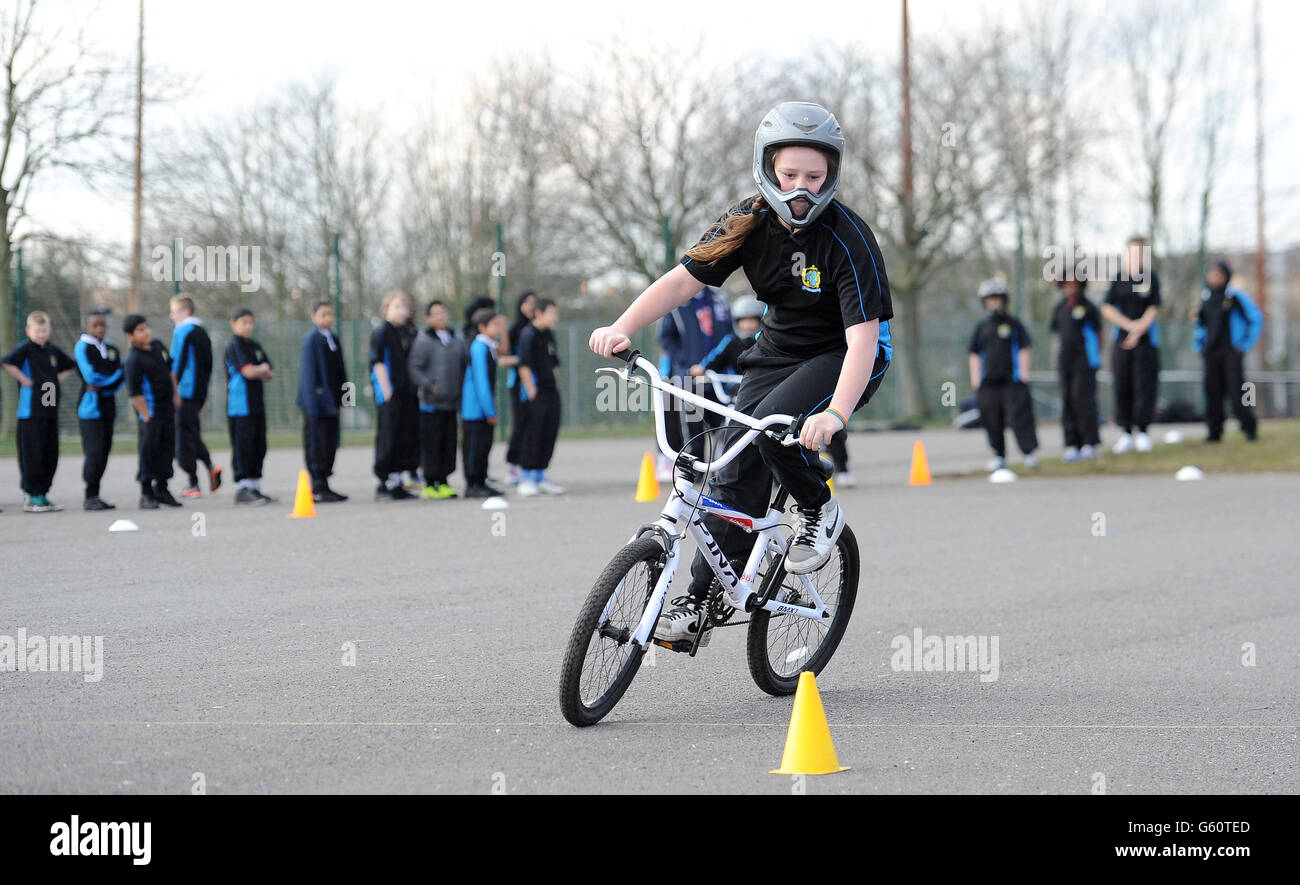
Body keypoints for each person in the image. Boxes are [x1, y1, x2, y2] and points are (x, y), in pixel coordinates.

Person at [589, 101, 893, 643]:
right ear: (767, 167)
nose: (801, 187)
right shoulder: (746, 222)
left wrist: (837, 415)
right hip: (777, 350)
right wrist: (622, 326)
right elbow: (682, 282)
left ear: (832, 176)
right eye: (790, 174)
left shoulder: (850, 238)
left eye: (814, 176)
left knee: (778, 430)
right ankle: (701, 603)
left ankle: (818, 509)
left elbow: (862, 340)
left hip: (844, 357)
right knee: (730, 465)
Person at [2, 311, 77, 512]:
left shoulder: (52, 351)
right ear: (29, 330)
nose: (42, 334)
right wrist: (23, 379)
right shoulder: (26, 349)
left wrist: (56, 379)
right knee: (32, 454)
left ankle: (43, 493)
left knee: (49, 453)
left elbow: (70, 365)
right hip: (31, 412)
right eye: (38, 331)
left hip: (49, 409)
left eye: (44, 330)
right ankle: (31, 494)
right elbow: (7, 362)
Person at [658, 285, 732, 469]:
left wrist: (716, 363)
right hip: (689, 380)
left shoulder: (719, 299)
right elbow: (666, 338)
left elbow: (730, 335)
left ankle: (723, 471)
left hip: (717, 378)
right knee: (693, 430)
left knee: (724, 427)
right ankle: (694, 472)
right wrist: (687, 363)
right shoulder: (676, 304)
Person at [969, 280, 1038, 471]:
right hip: (988, 383)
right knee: (992, 419)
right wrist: (975, 379)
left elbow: (1024, 347)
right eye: (990, 300)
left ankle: (1029, 454)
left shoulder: (1014, 324)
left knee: (1020, 418)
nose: (994, 303)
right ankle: (999, 455)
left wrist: (1024, 373)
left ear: (1004, 301)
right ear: (985, 302)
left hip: (1013, 382)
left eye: (997, 299)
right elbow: (974, 353)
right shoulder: (981, 327)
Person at [1101, 235, 1161, 453]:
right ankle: (1126, 432)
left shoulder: (1150, 278)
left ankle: (1142, 432)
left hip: (1146, 342)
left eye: (1138, 252)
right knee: (1122, 386)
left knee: (1144, 387)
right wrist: (1127, 325)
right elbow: (1107, 307)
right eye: (1131, 252)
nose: (1134, 256)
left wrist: (1139, 329)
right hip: (1122, 342)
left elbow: (1153, 308)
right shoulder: (1119, 278)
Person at [1193, 260, 1262, 442]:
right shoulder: (1206, 297)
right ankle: (1214, 432)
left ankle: (1249, 429)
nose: (1215, 278)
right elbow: (1200, 323)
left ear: (1226, 277)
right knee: (1212, 393)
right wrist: (1199, 345)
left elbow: (1255, 319)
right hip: (1211, 353)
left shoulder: (1235, 296)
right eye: (1212, 274)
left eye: (1219, 275)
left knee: (1238, 391)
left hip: (1232, 352)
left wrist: (1244, 344)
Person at [409, 300, 468, 499]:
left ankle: (444, 481)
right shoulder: (423, 340)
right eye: (436, 313)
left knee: (448, 443)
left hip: (451, 402)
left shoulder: (456, 340)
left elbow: (463, 366)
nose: (441, 316)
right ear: (428, 318)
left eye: (444, 312)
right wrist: (430, 387)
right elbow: (414, 368)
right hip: (431, 404)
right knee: (431, 443)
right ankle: (429, 482)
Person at [122, 314, 181, 509]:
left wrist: (175, 394)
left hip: (167, 409)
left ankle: (162, 489)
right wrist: (146, 416)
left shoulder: (157, 347)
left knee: (167, 449)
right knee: (149, 451)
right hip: (151, 413)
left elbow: (170, 371)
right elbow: (135, 393)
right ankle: (146, 493)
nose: (146, 332)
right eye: (140, 329)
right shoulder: (133, 360)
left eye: (146, 327)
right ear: (130, 335)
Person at [168, 294, 221, 497]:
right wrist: (203, 395)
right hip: (197, 393)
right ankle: (210, 466)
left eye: (174, 311)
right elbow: (207, 367)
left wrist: (173, 390)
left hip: (182, 393)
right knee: (192, 433)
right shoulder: (202, 332)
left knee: (182, 437)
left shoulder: (183, 331)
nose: (171, 315)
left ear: (186, 311)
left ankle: (193, 483)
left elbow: (177, 362)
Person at [297, 300, 349, 502]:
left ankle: (325, 482)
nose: (328, 318)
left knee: (329, 443)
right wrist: (312, 406)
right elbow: (308, 375)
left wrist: (347, 399)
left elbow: (342, 372)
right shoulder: (312, 340)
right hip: (317, 405)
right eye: (323, 314)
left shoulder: (333, 339)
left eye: (330, 314)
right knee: (316, 443)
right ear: (314, 317)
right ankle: (317, 484)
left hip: (332, 404)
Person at [1049, 267, 1102, 462]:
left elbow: (1098, 335)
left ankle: (1089, 443)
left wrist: (1096, 358)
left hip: (1085, 361)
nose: (1070, 287)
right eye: (1066, 283)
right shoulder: (1060, 308)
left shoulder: (1089, 307)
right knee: (1068, 401)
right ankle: (1072, 445)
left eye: (1074, 283)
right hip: (1065, 362)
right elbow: (1056, 337)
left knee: (1084, 401)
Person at [74, 307, 124, 510]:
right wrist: (110, 380)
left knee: (104, 450)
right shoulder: (83, 347)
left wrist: (107, 382)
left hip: (107, 406)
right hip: (90, 408)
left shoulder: (112, 349)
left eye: (103, 324)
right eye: (95, 325)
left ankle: (96, 494)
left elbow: (121, 376)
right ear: (87, 326)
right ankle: (89, 495)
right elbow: (91, 377)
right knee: (94, 451)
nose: (100, 328)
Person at [225, 307, 276, 506]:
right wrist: (259, 369)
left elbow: (269, 371)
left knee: (259, 445)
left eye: (250, 322)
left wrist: (260, 370)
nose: (248, 326)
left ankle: (255, 486)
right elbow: (248, 372)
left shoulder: (254, 345)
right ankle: (242, 487)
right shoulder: (234, 345)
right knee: (243, 445)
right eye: (244, 322)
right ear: (234, 323)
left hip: (256, 403)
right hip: (240, 405)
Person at [370, 291, 419, 500]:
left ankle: (397, 481)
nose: (402, 310)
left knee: (403, 437)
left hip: (406, 394)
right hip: (391, 395)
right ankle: (383, 482)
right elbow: (378, 362)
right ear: (387, 309)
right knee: (388, 436)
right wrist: (386, 391)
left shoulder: (405, 333)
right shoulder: (382, 332)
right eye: (397, 306)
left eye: (404, 307)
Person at [517, 298, 565, 497]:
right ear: (538, 314)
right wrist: (531, 391)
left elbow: (554, 364)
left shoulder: (549, 335)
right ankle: (526, 478)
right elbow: (524, 365)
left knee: (549, 432)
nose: (555, 317)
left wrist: (556, 387)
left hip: (551, 391)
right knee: (534, 433)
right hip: (537, 393)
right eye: (552, 313)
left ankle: (540, 476)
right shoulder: (528, 335)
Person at [460, 307, 505, 499]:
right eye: (494, 325)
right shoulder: (479, 347)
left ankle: (481, 480)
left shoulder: (489, 346)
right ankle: (472, 484)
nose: (498, 329)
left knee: (484, 446)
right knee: (474, 447)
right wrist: (489, 410)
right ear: (482, 326)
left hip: (482, 409)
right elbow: (481, 380)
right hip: (475, 409)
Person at [504, 290, 537, 486]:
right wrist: (523, 360)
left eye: (535, 302)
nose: (532, 307)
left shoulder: (539, 330)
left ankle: (529, 465)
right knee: (520, 423)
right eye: (528, 303)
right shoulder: (515, 330)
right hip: (518, 385)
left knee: (534, 426)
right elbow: (503, 358)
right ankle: (513, 464)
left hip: (536, 382)